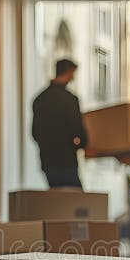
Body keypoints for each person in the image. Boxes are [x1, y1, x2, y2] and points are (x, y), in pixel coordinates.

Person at [32, 59, 89, 188]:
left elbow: (35, 133)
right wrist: (82, 144)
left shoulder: (39, 99)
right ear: (69, 72)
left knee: (56, 199)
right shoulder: (70, 100)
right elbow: (78, 130)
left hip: (48, 160)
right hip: (67, 160)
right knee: (75, 200)